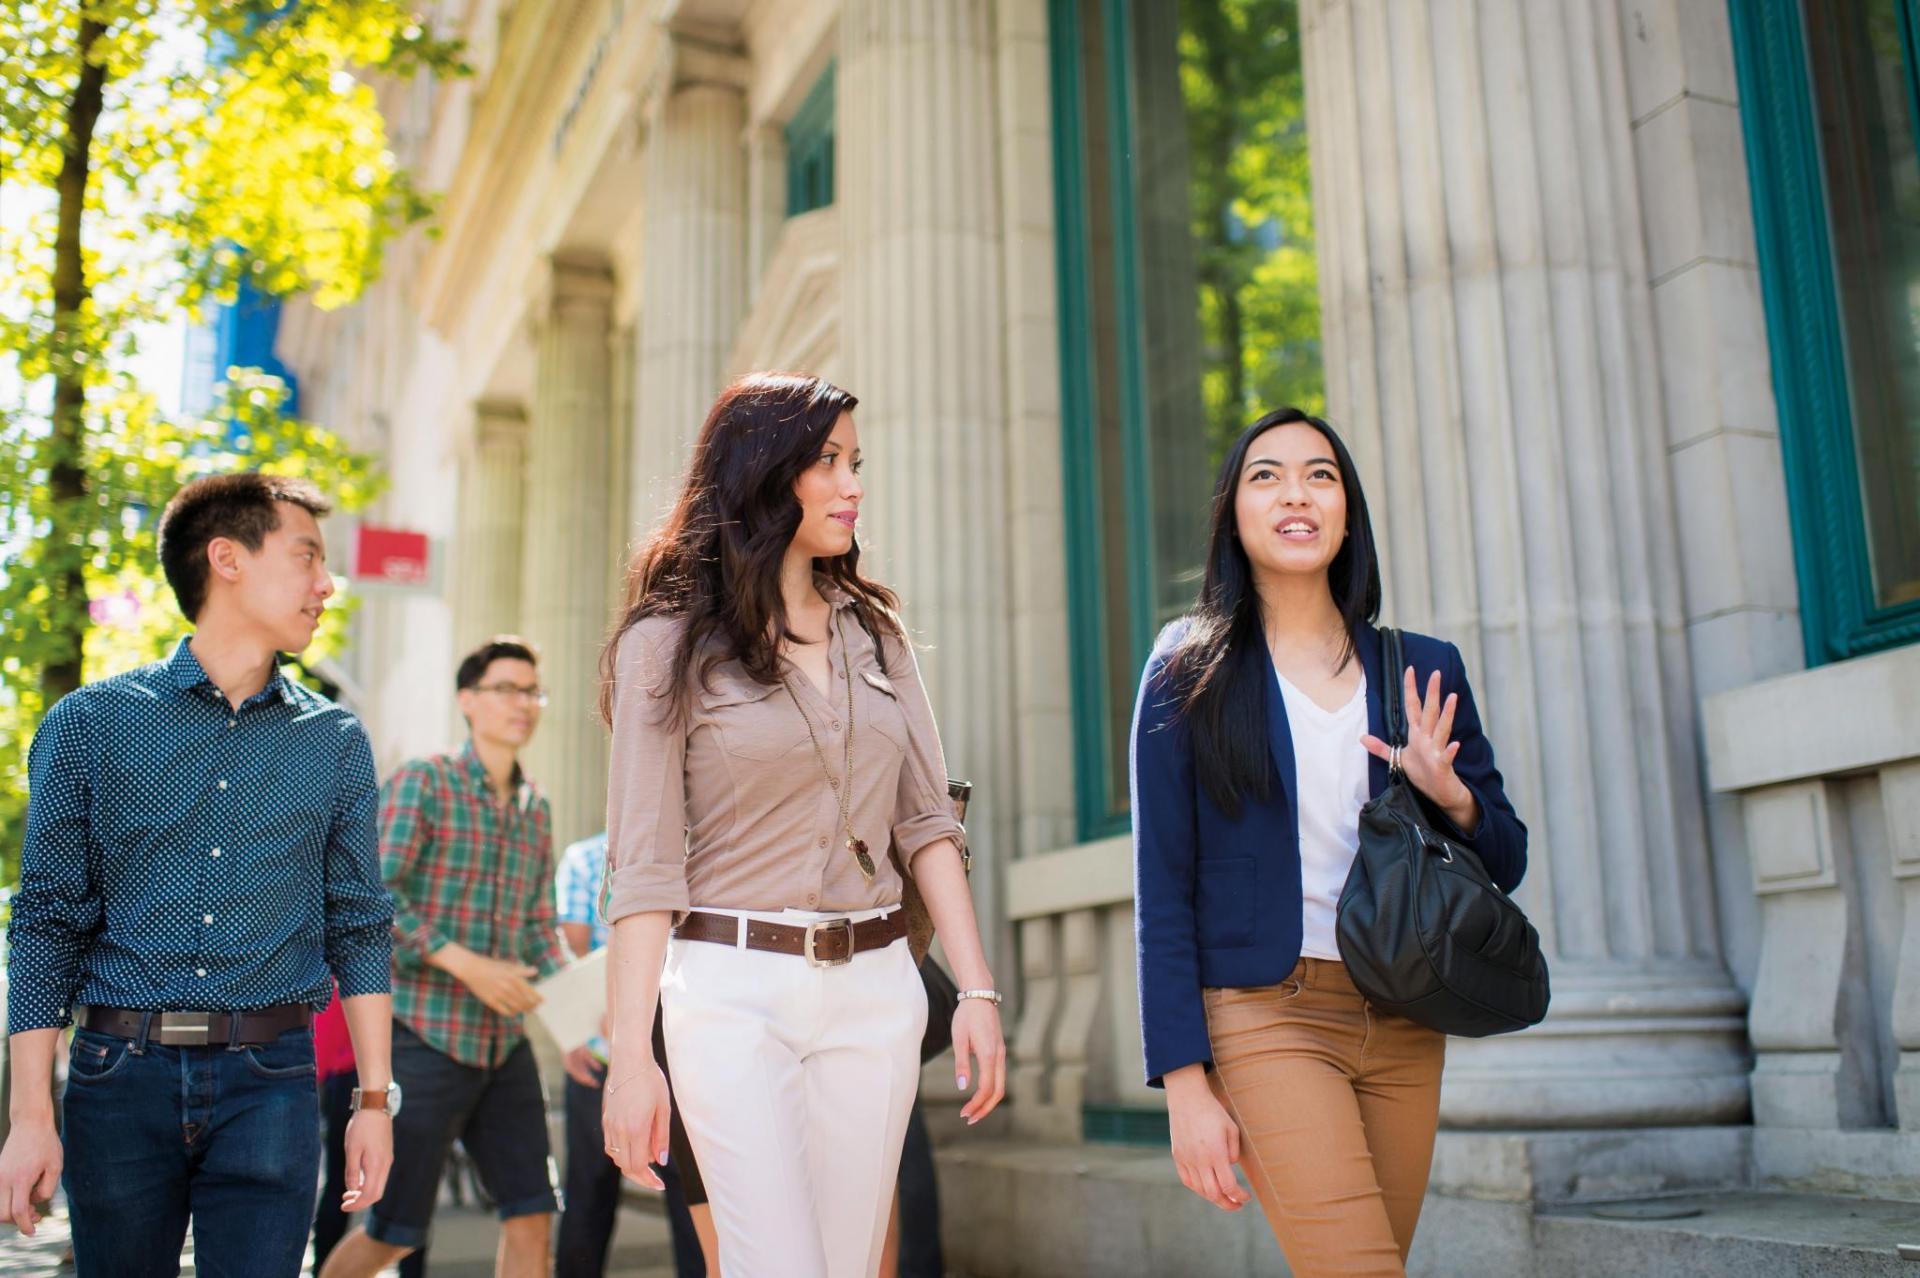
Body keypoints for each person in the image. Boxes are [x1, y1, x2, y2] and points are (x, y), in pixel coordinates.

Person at [597, 372, 1006, 1278]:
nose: (854, 484)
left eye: (856, 462)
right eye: (828, 461)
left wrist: (974, 989)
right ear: (763, 471)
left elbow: (928, 820)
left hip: (876, 987)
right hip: (731, 990)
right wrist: (632, 1057)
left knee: (853, 1264)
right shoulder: (664, 645)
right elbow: (644, 867)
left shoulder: (877, 632)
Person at [1133, 408, 1529, 1278]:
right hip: (1264, 1012)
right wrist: (1185, 1085)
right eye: (1264, 476)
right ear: (1234, 514)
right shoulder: (1186, 668)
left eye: (1321, 475)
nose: (1295, 494)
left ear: (1347, 512)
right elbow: (1161, 889)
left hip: (1405, 1013)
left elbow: (1504, 858)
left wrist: (1448, 791)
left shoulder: (1421, 667)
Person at [0, 473, 397, 1278]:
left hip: (273, 1082)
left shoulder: (335, 743)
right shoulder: (90, 725)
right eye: (307, 556)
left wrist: (373, 1101)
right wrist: (30, 1114)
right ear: (227, 559)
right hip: (119, 1080)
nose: (328, 585)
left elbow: (359, 924)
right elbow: (44, 924)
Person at [320, 638, 568, 1278]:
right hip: (424, 1040)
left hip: (504, 1048)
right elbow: (374, 895)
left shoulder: (536, 809)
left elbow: (540, 929)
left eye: (532, 691)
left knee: (535, 1216)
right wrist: (465, 963)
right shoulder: (424, 782)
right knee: (392, 1235)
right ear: (467, 700)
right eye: (506, 689)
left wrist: (586, 1011)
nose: (523, 704)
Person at [552, 830, 711, 1278]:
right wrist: (575, 1029)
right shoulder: (585, 859)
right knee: (589, 1198)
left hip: (684, 1057)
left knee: (692, 1201)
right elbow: (570, 945)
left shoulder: (706, 849)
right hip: (604, 1056)